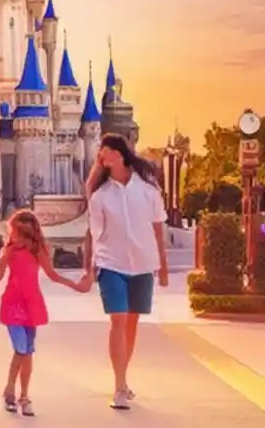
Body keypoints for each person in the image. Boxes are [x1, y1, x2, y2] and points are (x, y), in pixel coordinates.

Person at [82, 133, 169, 411]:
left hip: (142, 264)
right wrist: (90, 267)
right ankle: (119, 386)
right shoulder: (101, 196)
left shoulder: (148, 190)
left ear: (117, 154)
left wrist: (163, 265)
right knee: (118, 320)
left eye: (103, 151)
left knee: (131, 323)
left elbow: (158, 228)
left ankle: (124, 379)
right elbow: (94, 233)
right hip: (111, 264)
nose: (100, 156)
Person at [0, 209, 91, 417]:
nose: (12, 236)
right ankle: (10, 389)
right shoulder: (9, 251)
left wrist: (75, 286)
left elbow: (52, 275)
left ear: (26, 235)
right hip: (13, 304)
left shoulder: (37, 251)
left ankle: (24, 395)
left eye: (15, 233)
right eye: (11, 232)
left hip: (31, 304)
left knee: (28, 351)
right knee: (21, 348)